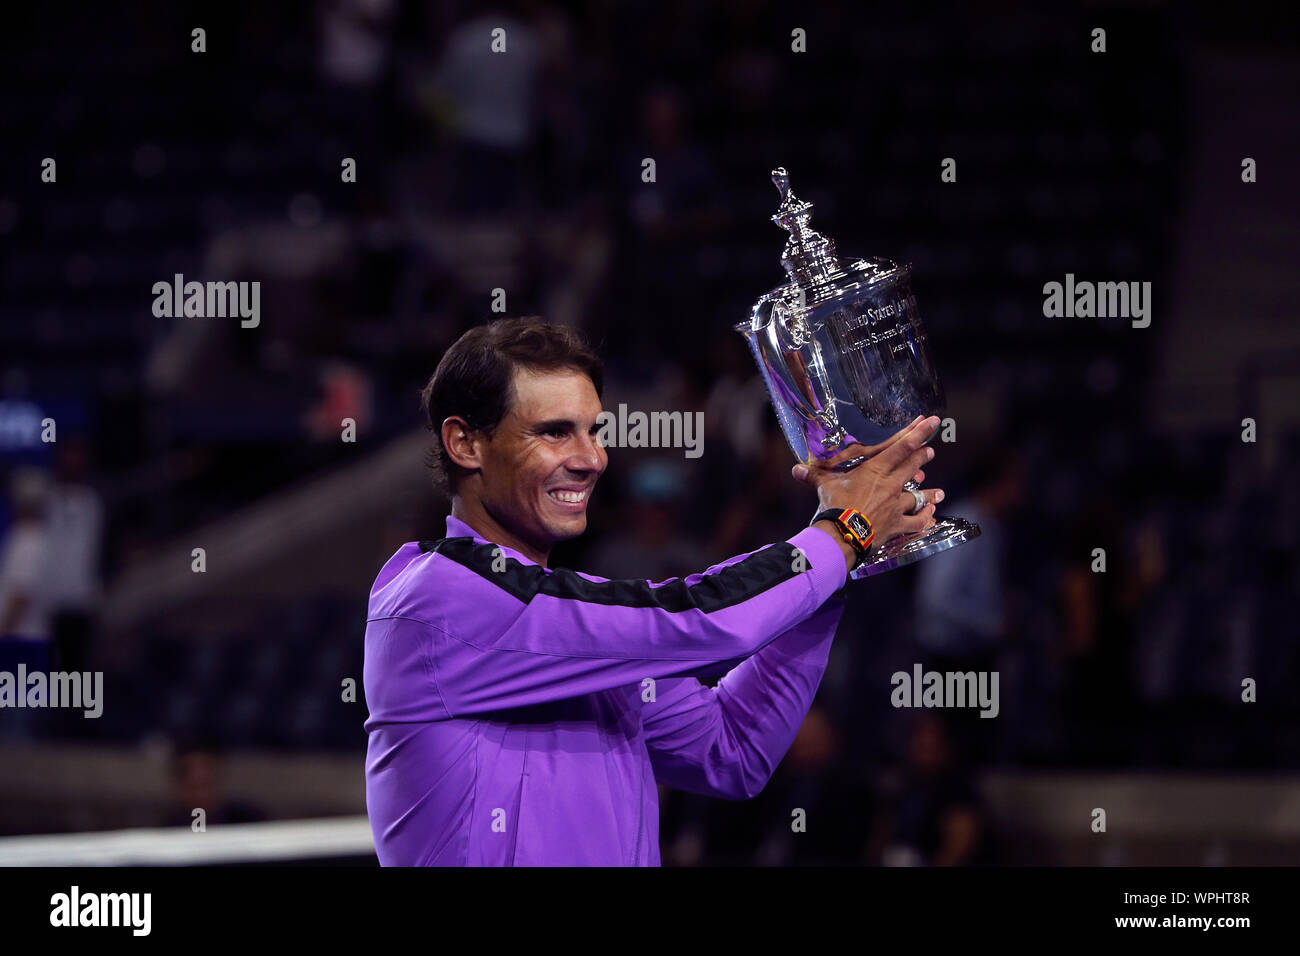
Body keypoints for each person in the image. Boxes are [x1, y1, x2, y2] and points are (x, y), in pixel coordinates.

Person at [362, 316, 942, 866]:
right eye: (555, 432)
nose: (591, 459)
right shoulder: (441, 599)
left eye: (594, 431)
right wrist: (841, 535)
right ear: (466, 444)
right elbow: (690, 617)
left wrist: (836, 573)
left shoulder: (566, 624)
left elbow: (732, 749)